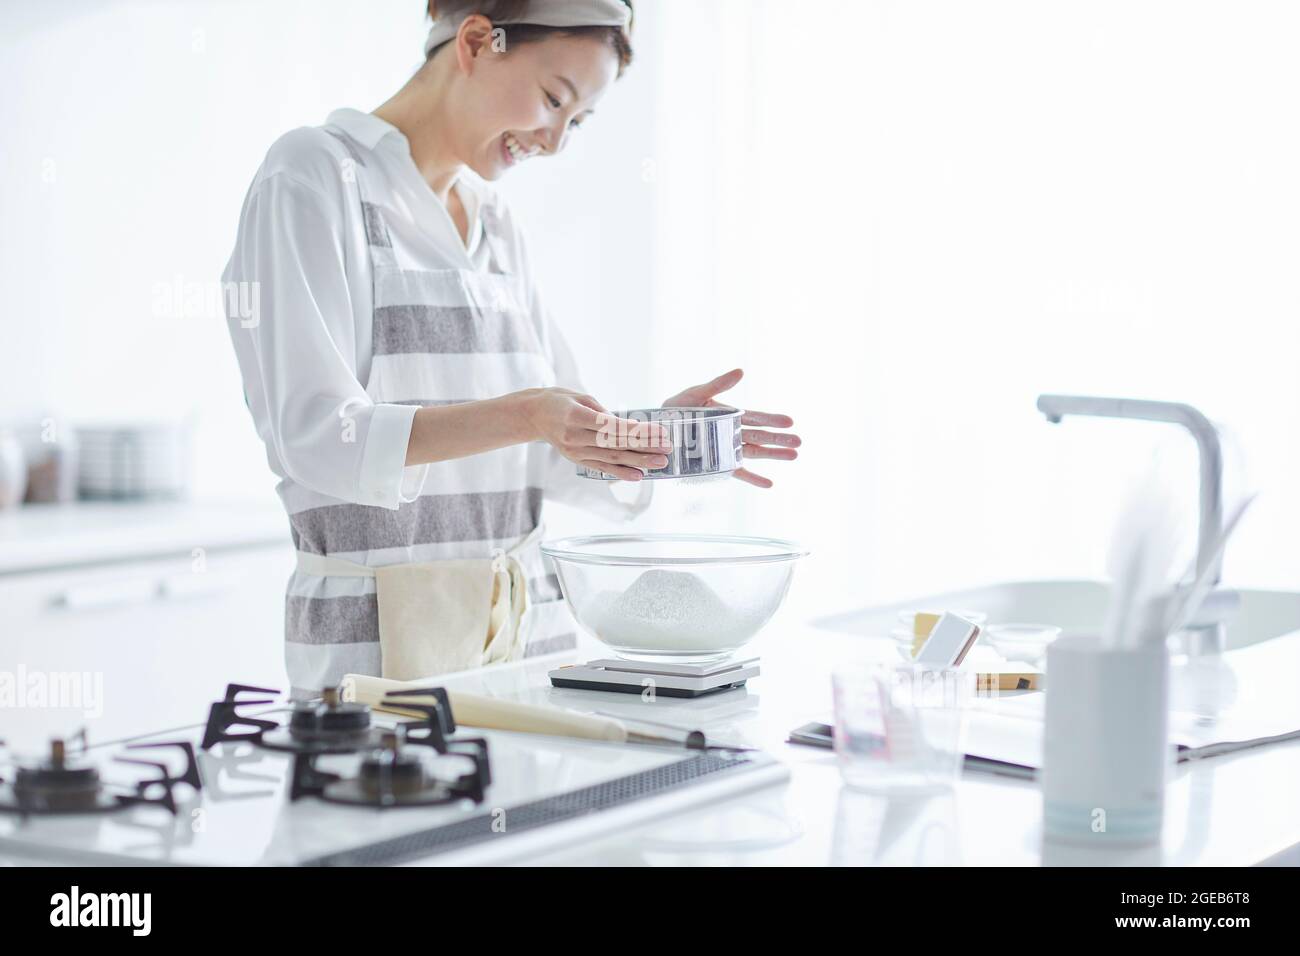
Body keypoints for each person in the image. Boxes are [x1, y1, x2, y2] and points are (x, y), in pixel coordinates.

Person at [222, 0, 801, 696]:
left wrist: (658, 437)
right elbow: (315, 438)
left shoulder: (495, 223)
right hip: (376, 667)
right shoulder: (313, 175)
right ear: (475, 41)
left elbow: (551, 450)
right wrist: (526, 414)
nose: (555, 141)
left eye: (577, 121)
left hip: (531, 648)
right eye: (554, 99)